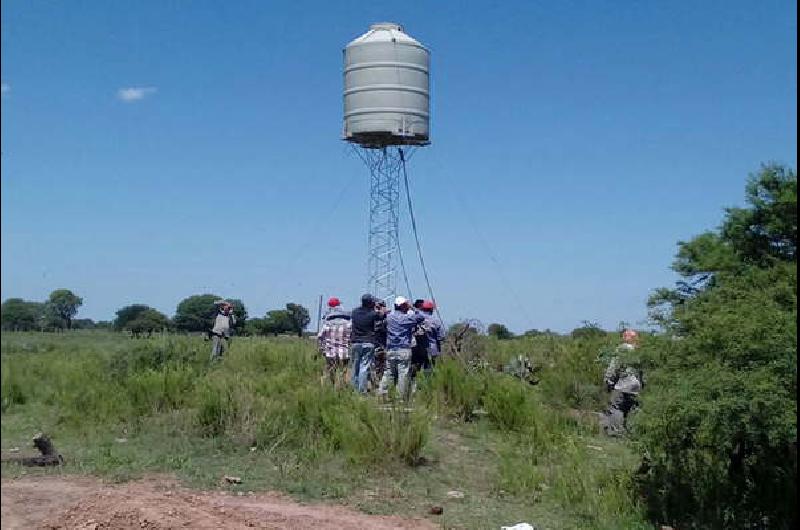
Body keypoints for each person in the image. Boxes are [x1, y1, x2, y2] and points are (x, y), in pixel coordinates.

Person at [378, 296, 426, 400]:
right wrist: (413, 308)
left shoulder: (389, 317)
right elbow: (421, 317)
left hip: (390, 349)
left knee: (389, 372)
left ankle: (382, 394)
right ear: (404, 306)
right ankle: (400, 398)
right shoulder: (407, 318)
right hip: (403, 349)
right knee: (403, 374)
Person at [601, 329, 643, 436]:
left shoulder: (622, 349)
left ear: (626, 337)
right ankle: (632, 432)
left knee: (617, 407)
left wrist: (608, 380)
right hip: (636, 386)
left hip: (623, 384)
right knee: (632, 408)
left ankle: (616, 432)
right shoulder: (640, 351)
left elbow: (614, 366)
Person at [349, 293, 387, 393]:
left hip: (355, 342)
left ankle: (354, 388)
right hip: (368, 342)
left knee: (355, 366)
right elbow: (383, 315)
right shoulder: (373, 313)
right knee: (364, 366)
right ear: (370, 302)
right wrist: (380, 307)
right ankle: (362, 390)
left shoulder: (354, 312)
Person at [317, 297, 352, 387]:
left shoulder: (327, 324)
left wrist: (321, 348)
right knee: (344, 369)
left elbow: (320, 336)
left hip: (330, 351)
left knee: (331, 369)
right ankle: (343, 386)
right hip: (344, 351)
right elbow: (352, 337)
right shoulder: (348, 324)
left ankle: (332, 385)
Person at [370, 300, 388, 390]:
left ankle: (381, 385)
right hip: (374, 345)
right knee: (375, 366)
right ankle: (375, 385)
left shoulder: (387, 318)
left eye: (380, 307)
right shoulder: (371, 317)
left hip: (384, 346)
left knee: (383, 367)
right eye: (377, 307)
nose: (378, 309)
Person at [420, 300, 444, 369]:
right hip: (432, 349)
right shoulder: (435, 320)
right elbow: (441, 336)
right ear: (431, 309)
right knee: (429, 367)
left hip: (418, 348)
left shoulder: (416, 318)